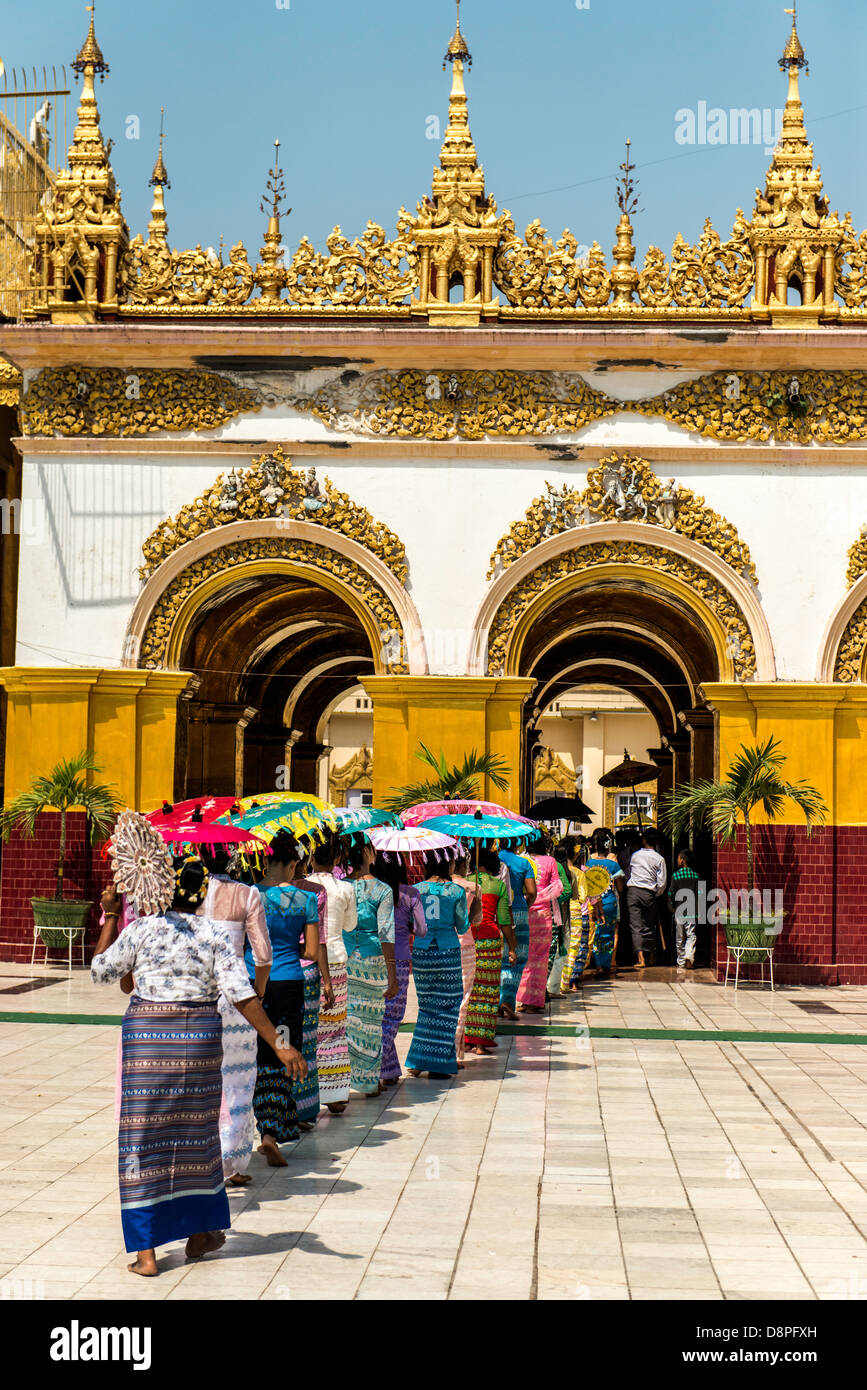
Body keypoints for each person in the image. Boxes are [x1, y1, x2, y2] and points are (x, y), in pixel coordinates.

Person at [93, 845, 305, 1278]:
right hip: (200, 1044)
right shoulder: (212, 935)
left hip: (149, 1044)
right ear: (202, 893)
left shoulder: (142, 930)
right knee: (197, 1137)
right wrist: (279, 1043)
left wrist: (111, 914)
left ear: (167, 890)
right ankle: (198, 1234)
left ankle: (148, 1254)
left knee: (142, 1141)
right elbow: (241, 993)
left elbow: (101, 971)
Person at [198, 844, 271, 1188]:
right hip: (237, 995)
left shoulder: (192, 893)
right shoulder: (248, 894)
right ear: (232, 859)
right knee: (239, 1078)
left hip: (198, 995)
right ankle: (234, 1160)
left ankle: (201, 1155)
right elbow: (263, 955)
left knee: (203, 1077)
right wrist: (257, 991)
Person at [249, 832, 321, 1166]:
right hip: (290, 985)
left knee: (258, 1055)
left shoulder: (252, 895)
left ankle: (259, 1127)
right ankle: (271, 1133)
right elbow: (310, 950)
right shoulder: (305, 900)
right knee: (284, 1053)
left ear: (265, 861)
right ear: (293, 864)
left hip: (254, 985)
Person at [405, 854, 471, 1079]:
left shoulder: (414, 890)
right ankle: (439, 1063)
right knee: (449, 1005)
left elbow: (410, 924)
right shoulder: (456, 891)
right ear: (448, 863)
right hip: (447, 951)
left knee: (427, 1006)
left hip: (423, 951)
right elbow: (462, 927)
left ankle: (419, 1059)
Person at [308, 834, 357, 1113]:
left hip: (308, 960)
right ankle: (336, 1092)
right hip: (337, 959)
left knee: (311, 1027)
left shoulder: (302, 886)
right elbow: (350, 926)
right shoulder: (344, 889)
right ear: (337, 859)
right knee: (336, 1027)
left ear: (312, 858)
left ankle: (310, 1089)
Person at [345, 839, 399, 1097]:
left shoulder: (340, 886)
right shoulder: (382, 890)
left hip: (343, 959)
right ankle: (368, 1081)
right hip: (372, 961)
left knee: (345, 1020)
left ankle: (342, 1078)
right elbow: (386, 933)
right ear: (368, 854)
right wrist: (392, 974)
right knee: (370, 1022)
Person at [374, 853, 427, 1084]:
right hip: (401, 960)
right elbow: (422, 930)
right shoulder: (411, 894)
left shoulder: (372, 891)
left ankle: (389, 1070)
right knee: (393, 1017)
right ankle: (374, 1063)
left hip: (373, 960)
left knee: (378, 1016)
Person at [464, 848, 517, 1055]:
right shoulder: (498, 885)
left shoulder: (463, 883)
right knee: (487, 992)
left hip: (466, 941)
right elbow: (504, 920)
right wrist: (512, 948)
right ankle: (480, 1042)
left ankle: (466, 1039)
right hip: (490, 943)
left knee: (468, 990)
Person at [293, 853, 331, 1129]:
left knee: (279, 1040)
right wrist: (327, 981)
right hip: (306, 971)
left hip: (272, 972)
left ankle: (279, 1108)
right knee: (306, 1041)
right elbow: (320, 943)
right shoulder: (314, 893)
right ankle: (304, 1108)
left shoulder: (259, 891)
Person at [517, 833, 562, 1012]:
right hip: (542, 914)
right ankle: (534, 1002)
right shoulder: (550, 861)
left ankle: (521, 999)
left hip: (524, 911)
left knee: (524, 955)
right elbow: (558, 886)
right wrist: (542, 896)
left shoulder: (521, 859)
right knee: (540, 958)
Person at [573, 828, 625, 980]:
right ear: (608, 846)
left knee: (595, 934)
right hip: (609, 903)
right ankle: (606, 964)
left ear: (595, 846)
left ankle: (598, 965)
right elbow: (620, 887)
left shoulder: (589, 863)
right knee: (608, 934)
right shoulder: (614, 865)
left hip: (592, 903)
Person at [498, 841, 537, 1020]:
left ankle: (495, 1001)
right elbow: (532, 891)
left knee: (497, 955)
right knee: (518, 956)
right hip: (518, 909)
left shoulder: (494, 859)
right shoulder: (523, 863)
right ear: (519, 842)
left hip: (496, 909)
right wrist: (524, 907)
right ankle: (507, 999)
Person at [451, 852, 483, 1065]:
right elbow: (477, 919)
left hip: (441, 945)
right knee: (462, 999)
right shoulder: (473, 887)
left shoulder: (439, 886)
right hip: (465, 944)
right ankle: (455, 1052)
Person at [626, 828, 668, 967]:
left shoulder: (635, 856)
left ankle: (640, 958)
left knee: (636, 926)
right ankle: (650, 955)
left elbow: (630, 873)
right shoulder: (659, 858)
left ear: (644, 840)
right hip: (649, 893)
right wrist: (656, 894)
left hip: (633, 892)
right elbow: (662, 883)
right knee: (649, 925)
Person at [669, 846, 700, 970]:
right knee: (691, 935)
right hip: (692, 910)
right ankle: (689, 957)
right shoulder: (696, 875)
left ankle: (681, 961)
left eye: (678, 858)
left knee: (679, 937)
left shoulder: (676, 876)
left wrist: (670, 905)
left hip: (679, 910)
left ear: (682, 860)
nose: (677, 860)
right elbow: (699, 893)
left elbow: (670, 893)